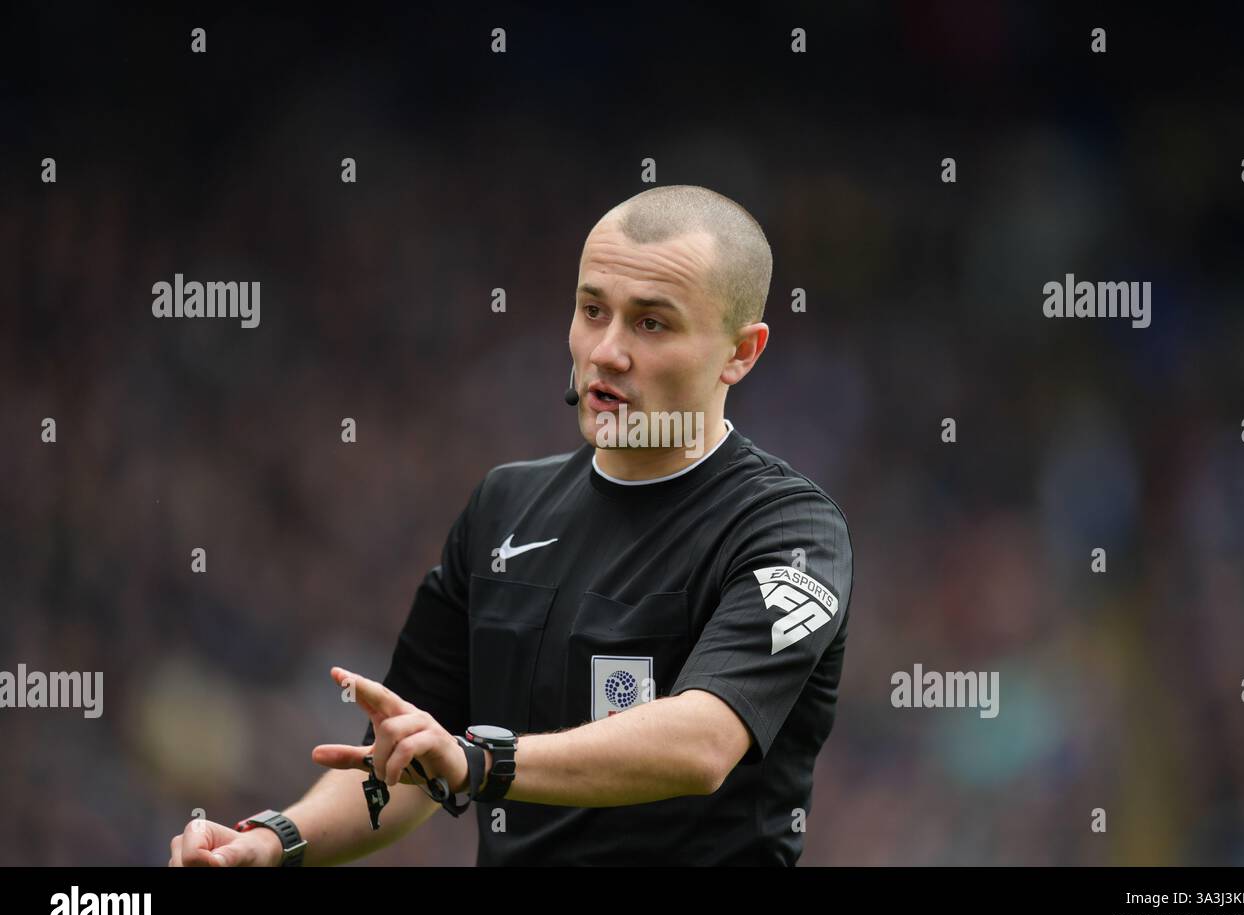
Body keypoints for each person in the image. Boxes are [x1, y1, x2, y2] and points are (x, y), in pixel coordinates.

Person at [168, 184, 853, 867]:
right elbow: (408, 760)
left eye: (652, 324)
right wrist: (271, 842)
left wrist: (477, 760)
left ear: (742, 352)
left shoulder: (791, 533)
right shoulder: (504, 507)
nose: (608, 351)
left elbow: (701, 743)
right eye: (593, 310)